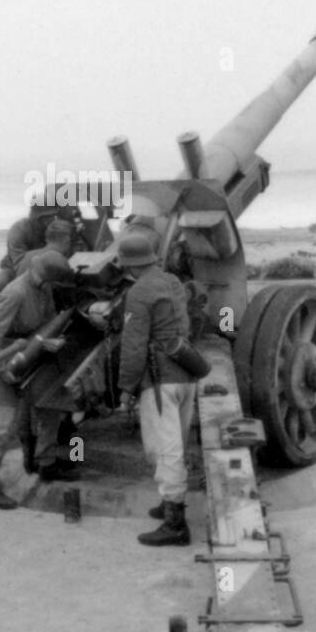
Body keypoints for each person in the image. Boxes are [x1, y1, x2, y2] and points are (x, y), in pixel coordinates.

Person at [0, 250, 74, 508]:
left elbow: (48, 321)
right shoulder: (15, 293)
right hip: (11, 362)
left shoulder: (45, 290)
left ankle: (46, 465)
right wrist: (1, 370)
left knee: (50, 409)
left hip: (36, 357)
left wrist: (51, 340)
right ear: (44, 276)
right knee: (2, 425)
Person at [116, 233, 196, 547]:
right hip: (185, 374)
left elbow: (133, 346)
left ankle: (175, 524)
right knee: (177, 442)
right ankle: (168, 502)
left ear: (128, 265)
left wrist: (126, 387)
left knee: (163, 450)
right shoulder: (173, 283)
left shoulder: (138, 292)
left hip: (160, 380)